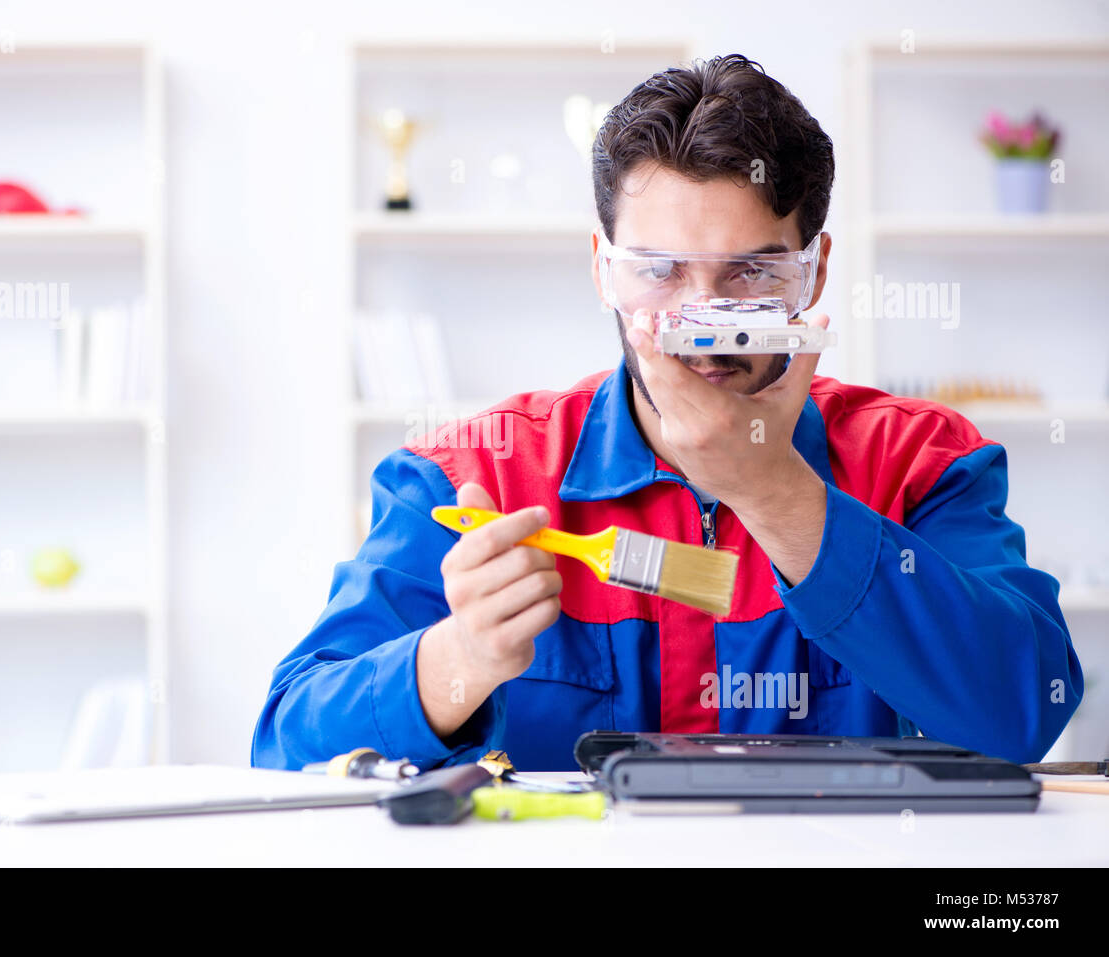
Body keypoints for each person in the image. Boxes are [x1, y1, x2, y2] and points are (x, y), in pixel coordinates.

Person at [252, 54, 1082, 771]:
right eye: (659, 272)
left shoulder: (922, 461)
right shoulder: (479, 472)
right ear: (602, 269)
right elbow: (286, 744)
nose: (701, 323)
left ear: (815, 272)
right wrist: (457, 660)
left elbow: (1023, 712)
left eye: (751, 274)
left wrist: (778, 495)